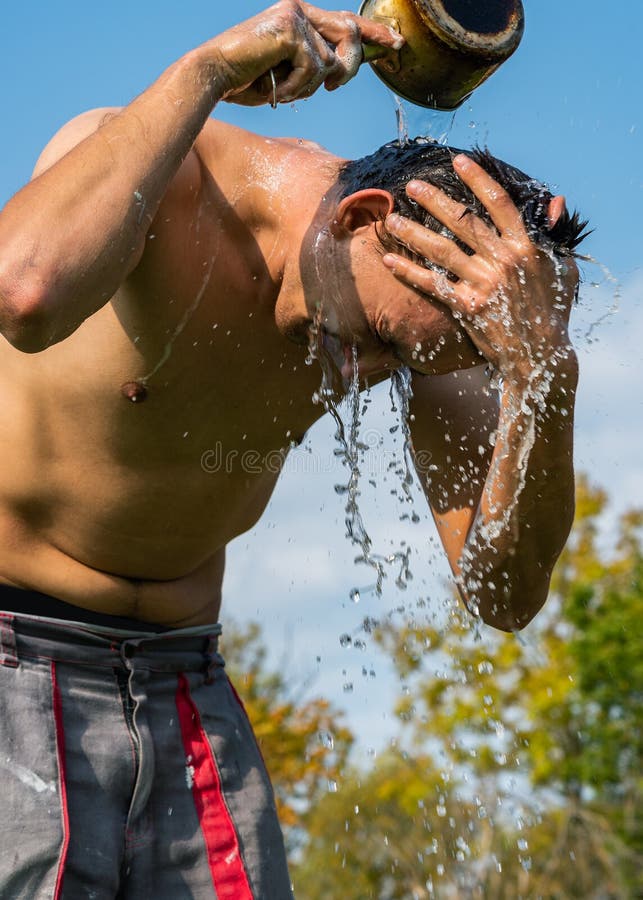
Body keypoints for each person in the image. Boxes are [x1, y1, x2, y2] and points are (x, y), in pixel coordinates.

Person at [0, 1, 587, 897]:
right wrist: (205, 71)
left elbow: (503, 594)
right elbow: (25, 294)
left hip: (185, 676)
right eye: (383, 342)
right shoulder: (175, 177)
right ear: (363, 218)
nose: (381, 371)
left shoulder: (435, 321)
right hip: (13, 649)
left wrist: (543, 373)